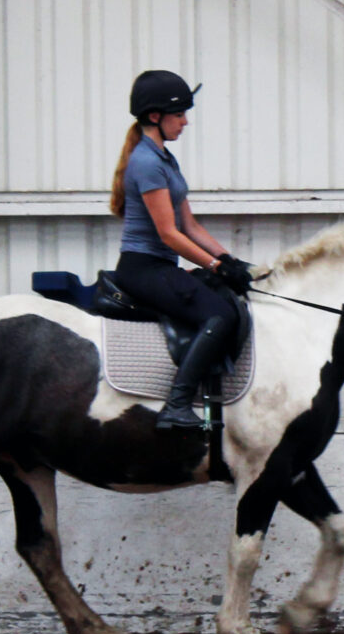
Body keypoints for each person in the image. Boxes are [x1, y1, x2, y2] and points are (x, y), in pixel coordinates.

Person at [109, 71, 255, 429]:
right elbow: (170, 234)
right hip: (143, 268)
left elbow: (191, 226)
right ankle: (176, 405)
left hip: (160, 265)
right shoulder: (145, 163)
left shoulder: (165, 160)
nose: (186, 122)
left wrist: (228, 260)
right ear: (155, 116)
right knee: (217, 315)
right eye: (179, 115)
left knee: (226, 301)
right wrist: (214, 266)